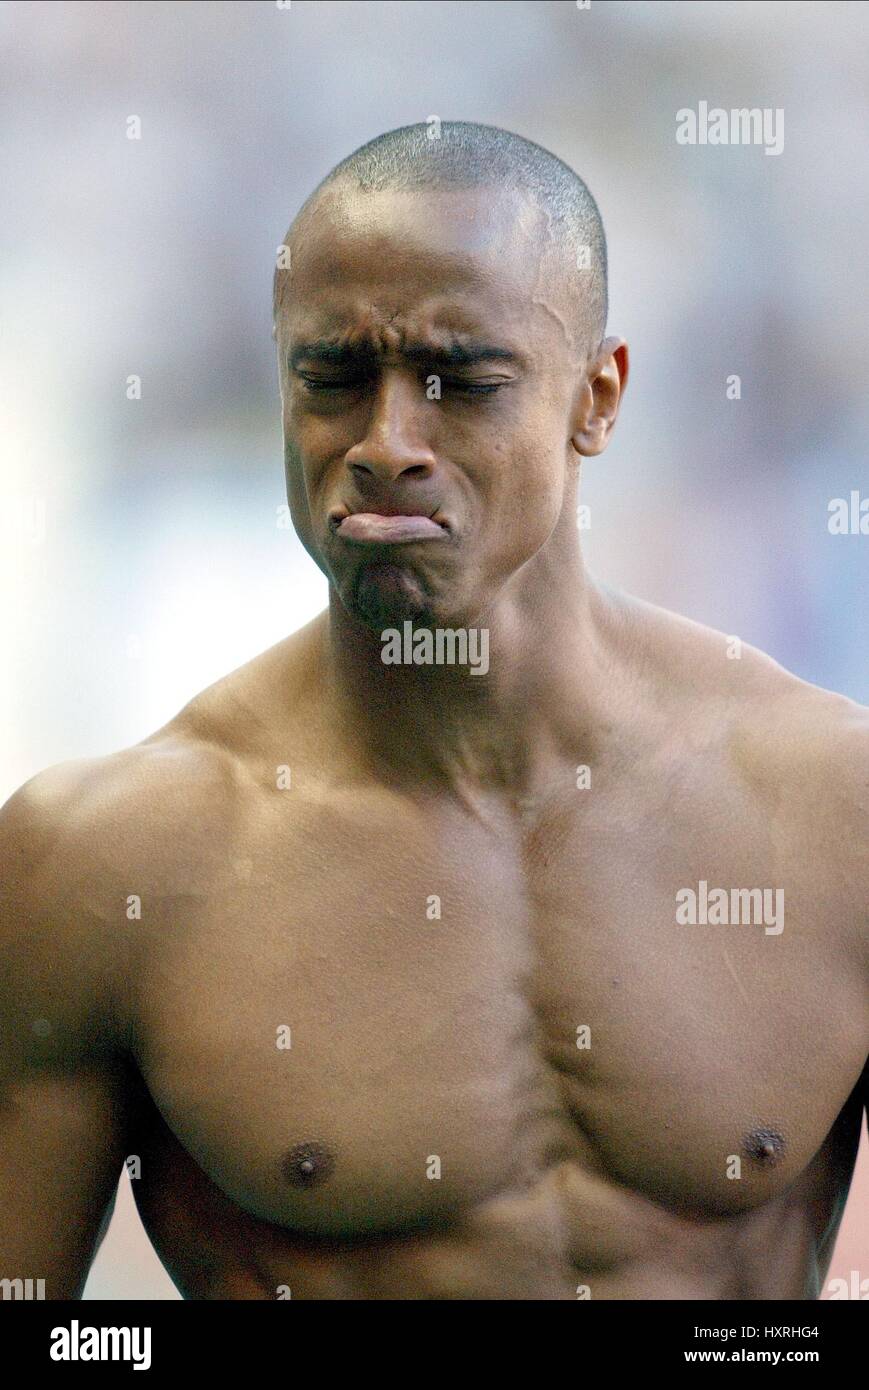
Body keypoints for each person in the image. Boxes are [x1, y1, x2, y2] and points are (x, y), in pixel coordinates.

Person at [1, 122, 866, 1300]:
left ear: (597, 399)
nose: (384, 443)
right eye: (332, 377)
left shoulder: (832, 809)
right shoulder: (100, 861)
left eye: (462, 381)